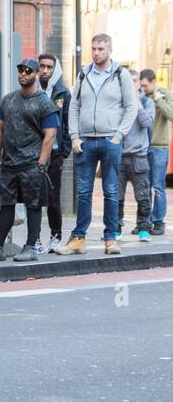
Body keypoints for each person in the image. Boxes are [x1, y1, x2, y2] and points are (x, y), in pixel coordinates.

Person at [61, 33, 139, 256]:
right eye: (93, 48)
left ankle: (110, 239)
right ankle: (78, 239)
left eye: (100, 49)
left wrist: (118, 135)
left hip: (109, 140)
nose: (96, 53)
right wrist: (75, 136)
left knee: (111, 191)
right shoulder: (84, 73)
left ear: (109, 50)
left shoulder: (120, 74)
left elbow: (131, 107)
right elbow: (74, 107)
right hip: (85, 140)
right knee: (84, 192)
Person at [0, 59, 59, 262]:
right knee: (6, 205)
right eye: (21, 70)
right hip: (9, 164)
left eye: (28, 71)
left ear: (37, 74)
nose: (23, 74)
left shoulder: (44, 102)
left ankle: (30, 246)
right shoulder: (8, 100)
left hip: (32, 164)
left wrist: (41, 163)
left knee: (33, 205)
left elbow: (50, 136)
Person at [35, 54, 72, 253]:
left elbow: (67, 122)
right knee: (34, 197)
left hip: (55, 153)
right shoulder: (31, 90)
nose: (45, 70)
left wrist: (63, 151)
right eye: (42, 66)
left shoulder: (63, 93)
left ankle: (55, 236)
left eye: (49, 67)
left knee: (53, 197)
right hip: (34, 152)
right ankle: (35, 239)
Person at [116, 69, 154, 242]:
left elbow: (146, 122)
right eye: (128, 80)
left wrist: (137, 104)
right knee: (116, 195)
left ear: (139, 83)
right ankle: (115, 228)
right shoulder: (118, 102)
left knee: (143, 195)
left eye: (134, 80)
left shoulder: (147, 102)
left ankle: (144, 229)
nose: (131, 84)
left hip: (139, 156)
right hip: (119, 155)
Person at [139, 69, 172, 235]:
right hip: (143, 147)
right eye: (141, 86)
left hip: (159, 148)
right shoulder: (141, 97)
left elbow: (171, 114)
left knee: (158, 187)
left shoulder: (165, 94)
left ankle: (159, 221)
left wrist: (159, 100)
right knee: (144, 187)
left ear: (153, 82)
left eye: (145, 85)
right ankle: (144, 222)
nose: (143, 88)